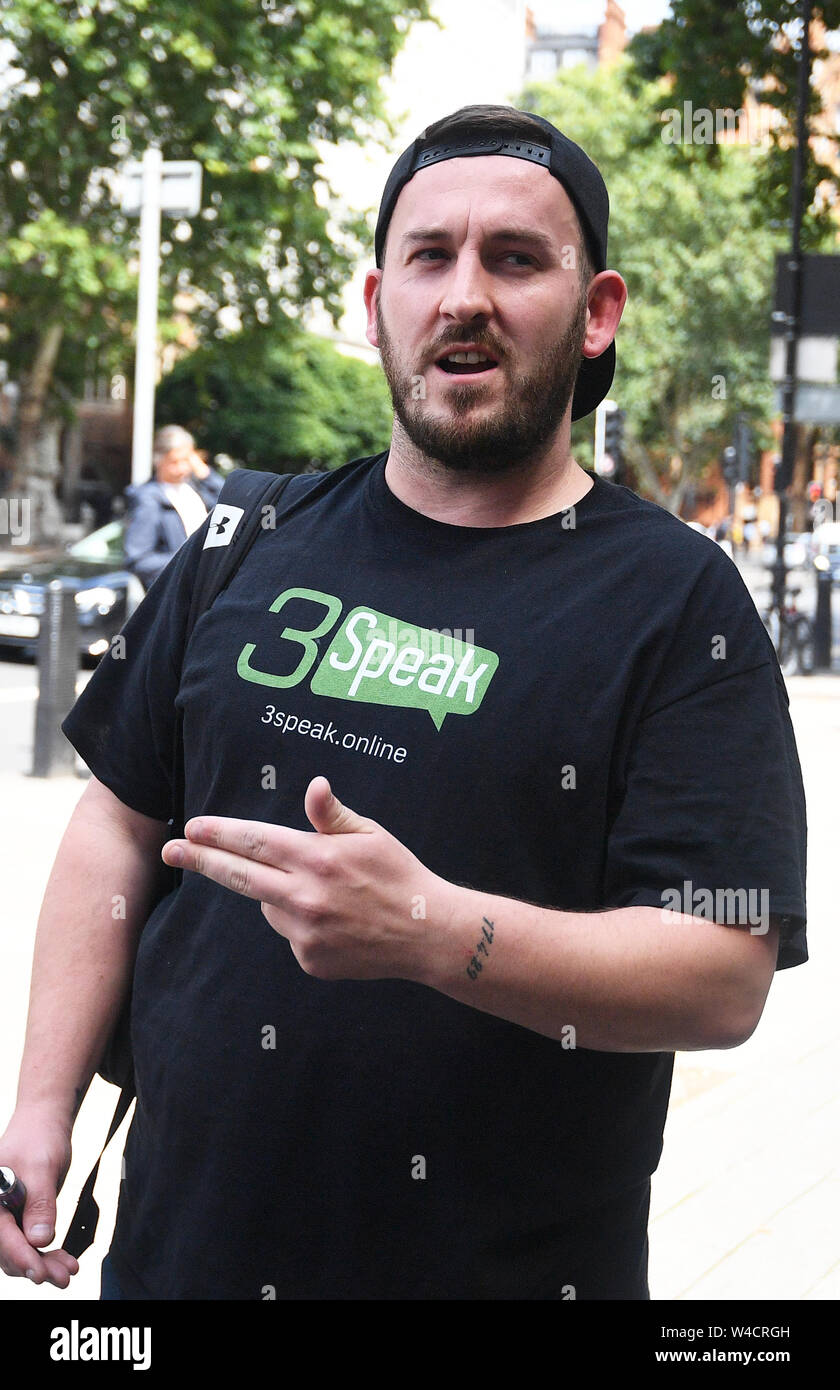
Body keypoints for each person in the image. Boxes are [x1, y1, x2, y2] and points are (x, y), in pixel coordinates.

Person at [0, 105, 807, 1301]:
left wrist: (432, 928)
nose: (464, 295)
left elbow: (723, 970)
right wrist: (40, 1107)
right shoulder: (247, 537)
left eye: (516, 259)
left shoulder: (678, 599)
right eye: (430, 257)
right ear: (379, 299)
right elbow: (118, 823)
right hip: (174, 1272)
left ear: (598, 314)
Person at [123, 425, 224, 591]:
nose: (182, 468)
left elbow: (230, 502)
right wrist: (190, 561)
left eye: (186, 460)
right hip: (176, 592)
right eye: (174, 462)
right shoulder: (148, 499)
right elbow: (138, 560)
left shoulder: (195, 489)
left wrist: (204, 472)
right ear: (158, 460)